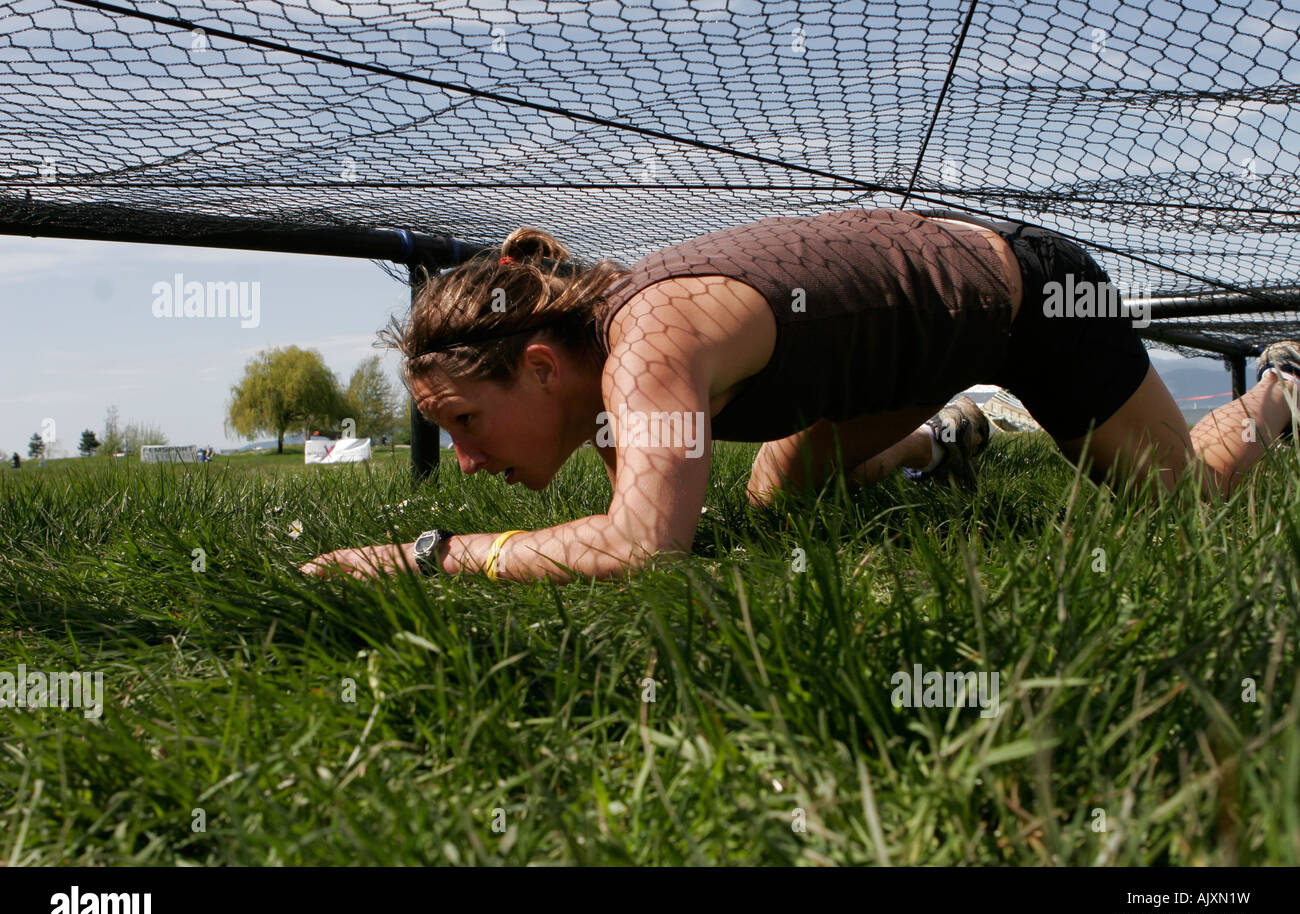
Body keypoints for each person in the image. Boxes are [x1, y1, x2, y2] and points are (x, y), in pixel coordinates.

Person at [300, 209, 1300, 583]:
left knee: (1191, 507)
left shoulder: (645, 344)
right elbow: (633, 526)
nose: (465, 462)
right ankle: (941, 438)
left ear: (543, 366)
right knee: (777, 503)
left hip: (1027, 301)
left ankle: (1275, 391)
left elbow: (644, 544)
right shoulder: (604, 382)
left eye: (463, 423)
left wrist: (426, 555)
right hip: (903, 358)